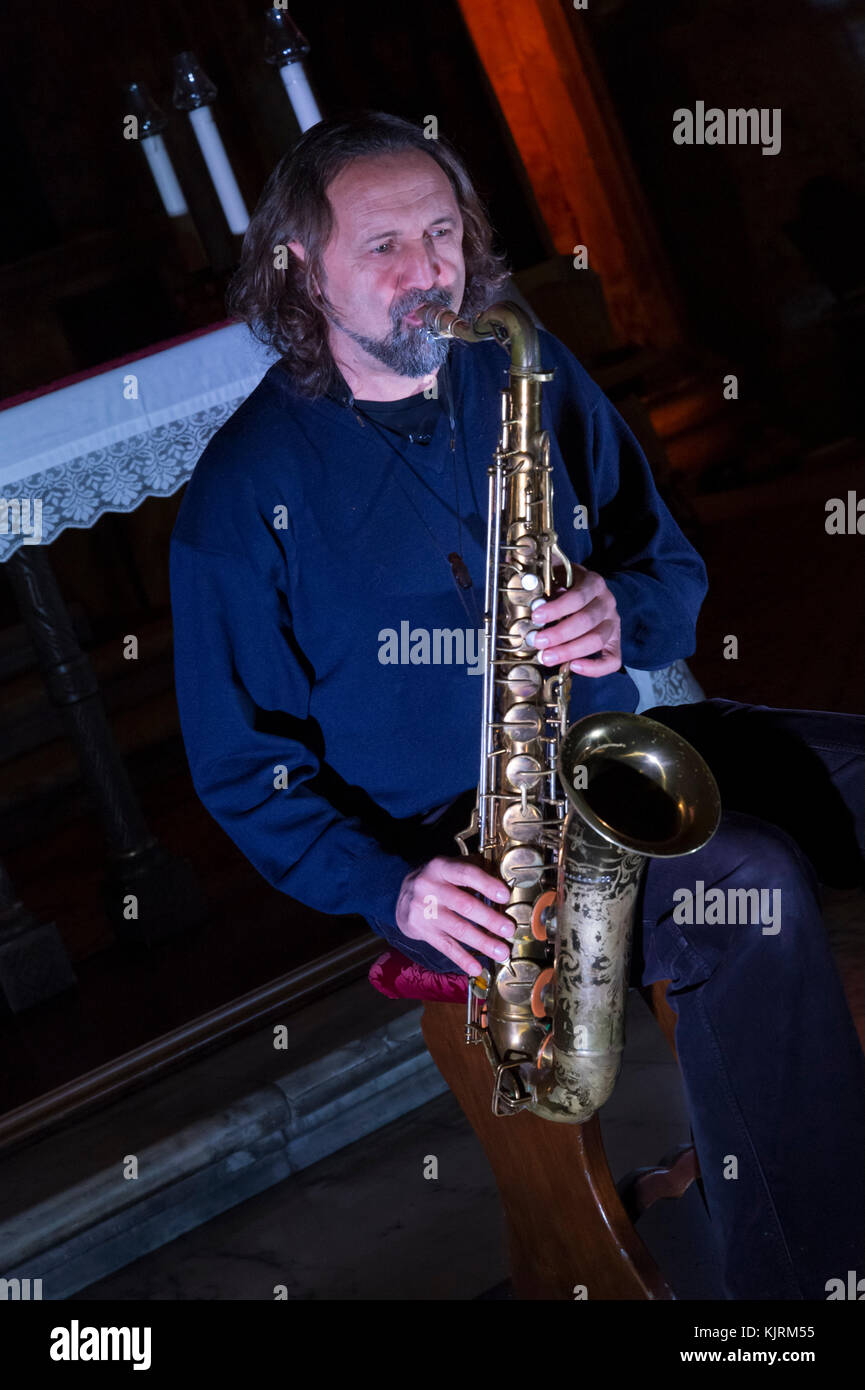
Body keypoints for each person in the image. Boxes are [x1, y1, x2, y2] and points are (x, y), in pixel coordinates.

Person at [169, 110, 865, 1300]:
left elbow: (668, 561)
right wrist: (387, 885)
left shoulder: (519, 361)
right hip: (475, 847)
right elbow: (243, 767)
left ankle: (792, 1159)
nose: (428, 270)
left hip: (615, 748)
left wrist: (621, 609)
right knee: (740, 880)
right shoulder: (240, 497)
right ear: (297, 263)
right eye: (384, 243)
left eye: (441, 232)